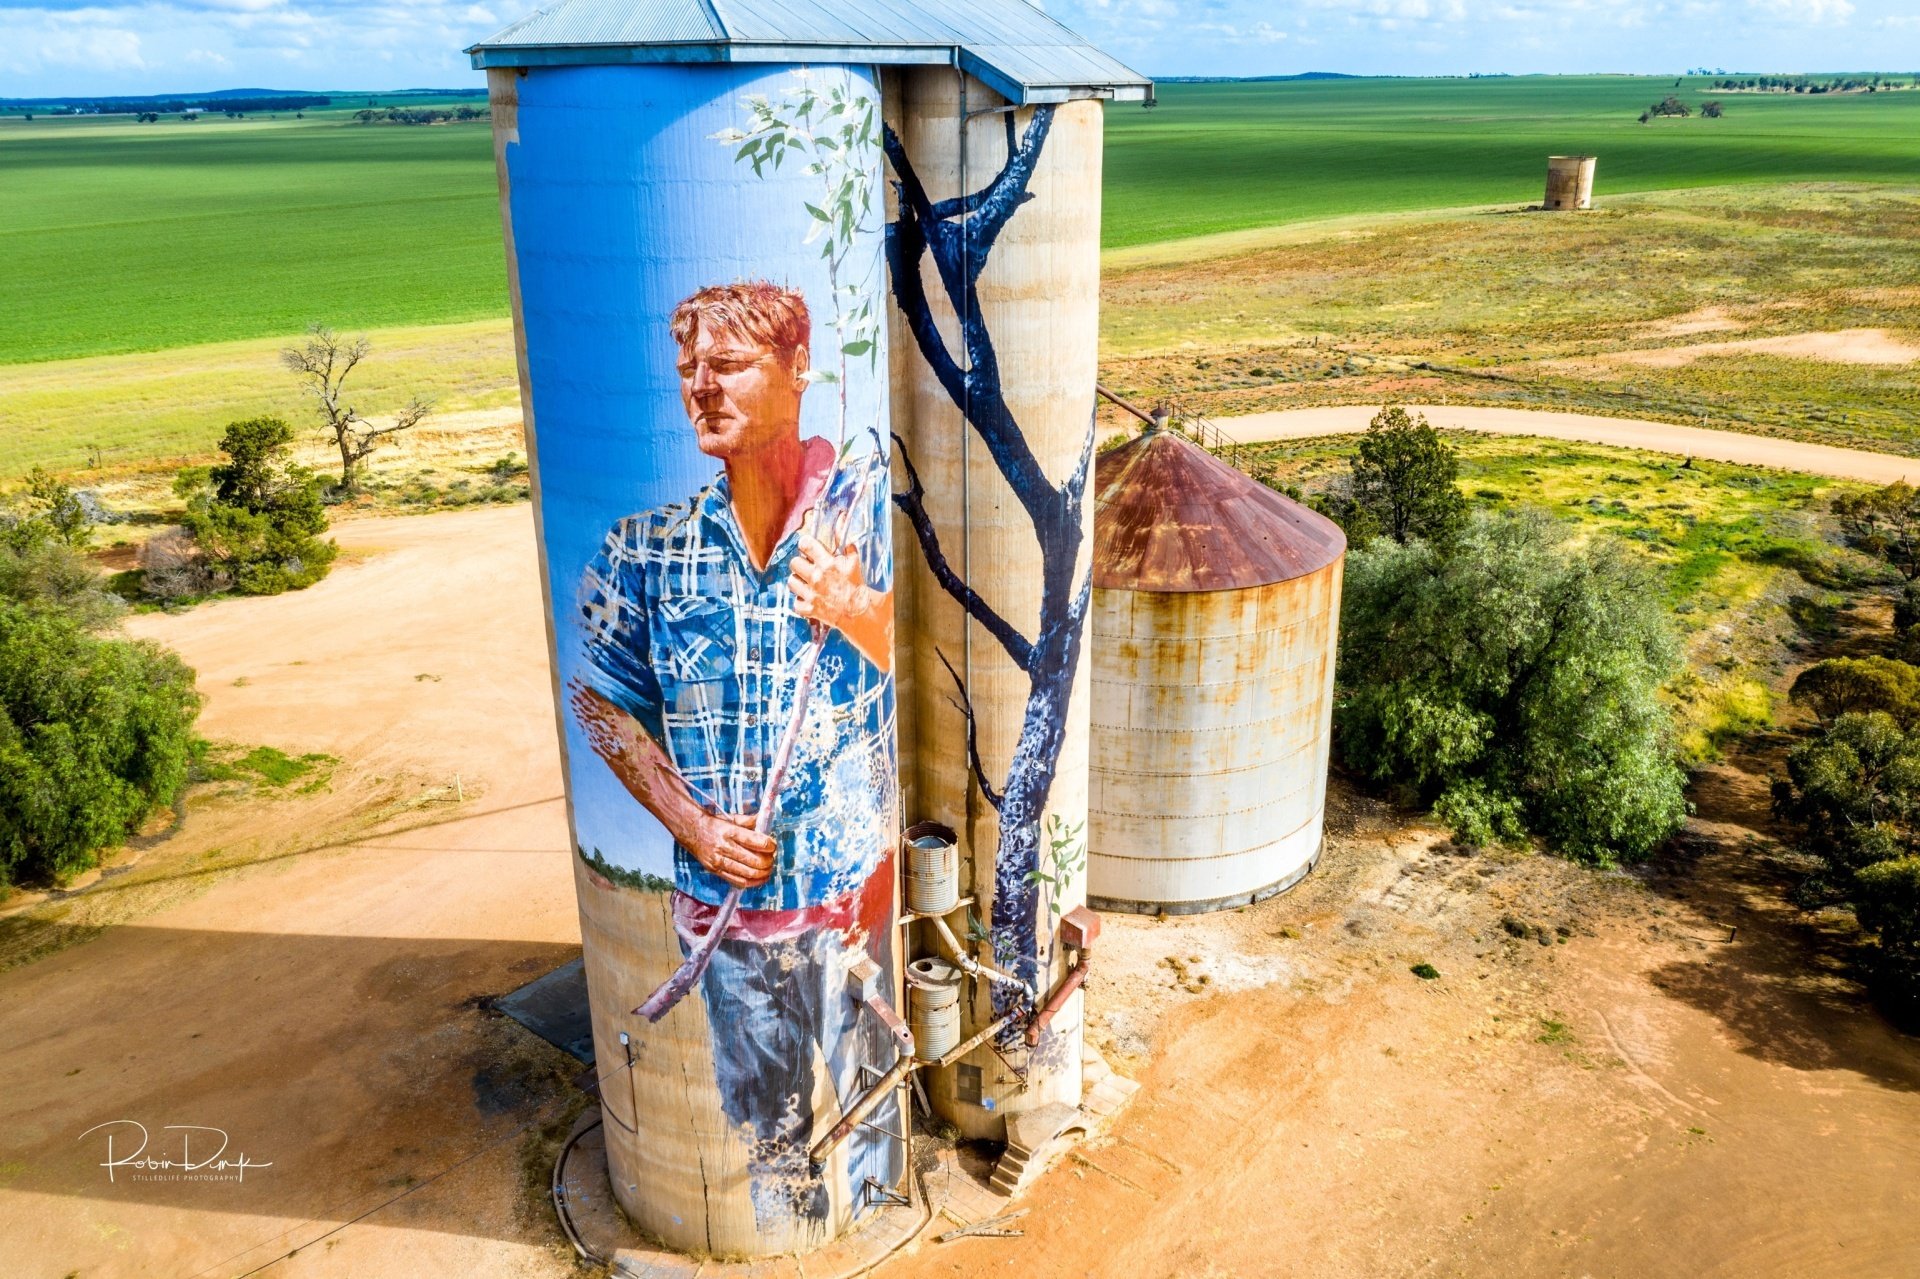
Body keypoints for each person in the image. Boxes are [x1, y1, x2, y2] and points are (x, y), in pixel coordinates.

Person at [570, 281, 900, 1229]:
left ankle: (877, 1230)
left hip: (854, 908)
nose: (702, 389)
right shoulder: (648, 551)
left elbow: (918, 643)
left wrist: (854, 606)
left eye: (729, 365)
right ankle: (793, 1250)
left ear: (799, 371)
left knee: (876, 1113)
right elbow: (596, 700)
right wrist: (694, 826)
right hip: (729, 931)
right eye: (689, 371)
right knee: (772, 1144)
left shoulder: (864, 512)